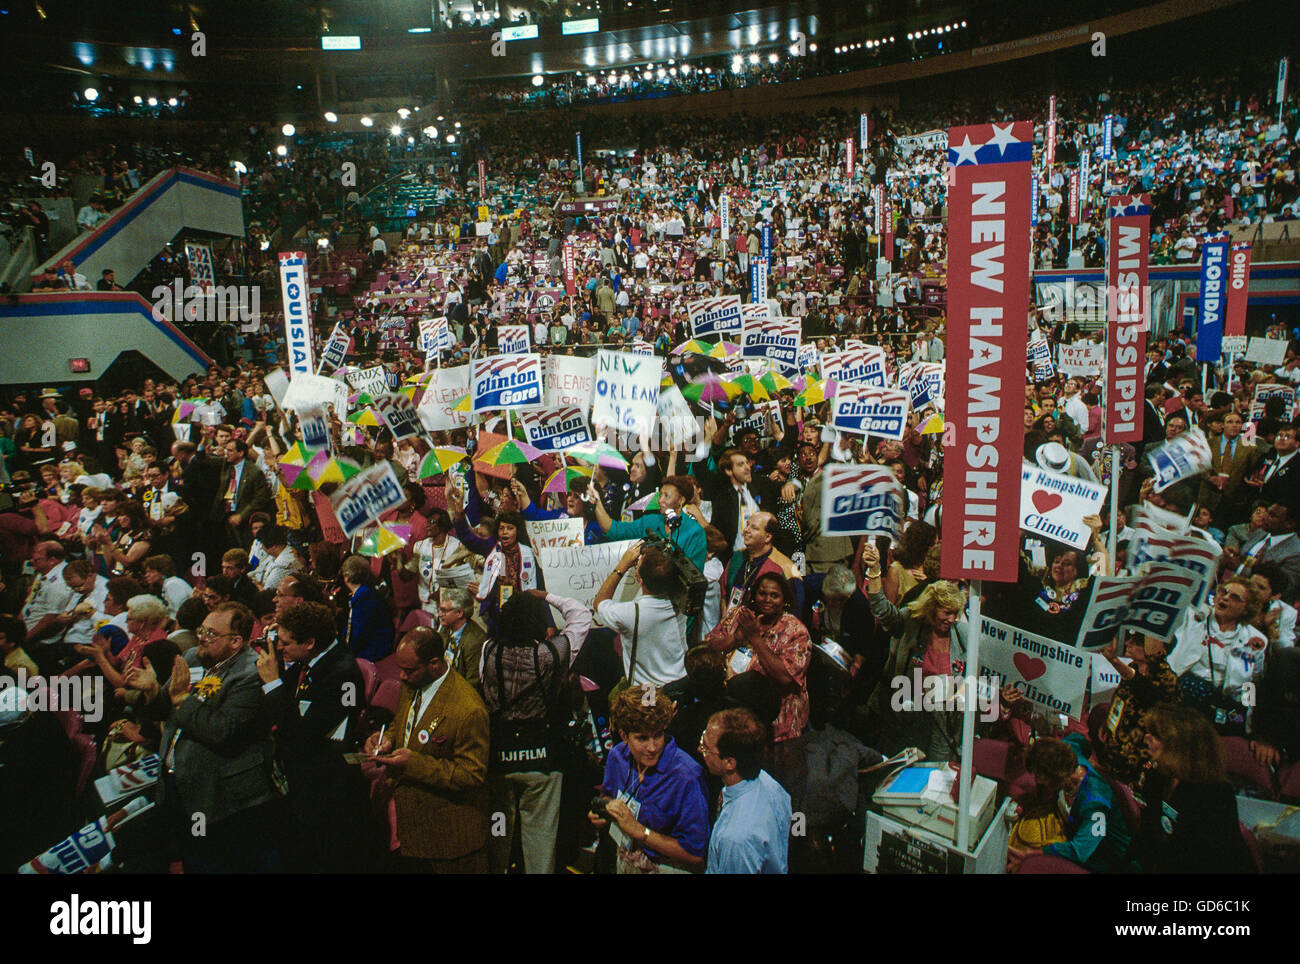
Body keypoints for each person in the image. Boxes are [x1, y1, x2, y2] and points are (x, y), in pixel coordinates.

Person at [126, 601, 280, 873]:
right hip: (177, 784)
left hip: (219, 797)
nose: (201, 638)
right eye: (201, 630)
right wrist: (152, 691)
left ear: (235, 642)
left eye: (211, 634)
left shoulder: (250, 674)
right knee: (188, 856)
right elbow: (166, 706)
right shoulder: (193, 658)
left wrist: (182, 700)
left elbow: (221, 731)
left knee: (213, 863)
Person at [255, 600, 372, 872]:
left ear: (309, 642)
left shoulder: (342, 674)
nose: (279, 647)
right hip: (304, 787)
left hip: (327, 794)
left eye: (284, 642)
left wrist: (272, 682)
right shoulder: (309, 660)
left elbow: (301, 735)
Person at [364, 627, 491, 873]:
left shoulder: (468, 709)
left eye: (408, 670)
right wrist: (387, 739)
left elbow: (472, 774)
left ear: (434, 664)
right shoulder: (413, 683)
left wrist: (413, 764)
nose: (400, 676)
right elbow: (403, 722)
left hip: (447, 842)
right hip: (410, 831)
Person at [481, 590, 590, 874]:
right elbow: (581, 616)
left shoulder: (488, 651)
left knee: (498, 831)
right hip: (543, 758)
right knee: (540, 837)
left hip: (498, 759)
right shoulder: (552, 654)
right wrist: (547, 595)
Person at [589, 684, 710, 874]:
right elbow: (608, 796)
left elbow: (694, 854)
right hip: (625, 861)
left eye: (658, 735)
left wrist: (640, 831)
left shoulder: (687, 776)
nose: (652, 747)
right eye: (642, 738)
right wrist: (602, 812)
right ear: (624, 736)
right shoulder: (616, 757)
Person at [862, 546, 967, 761]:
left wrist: (962, 693)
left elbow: (973, 675)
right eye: (947, 613)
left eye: (956, 613)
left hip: (942, 724)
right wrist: (874, 571)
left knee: (938, 775)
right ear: (930, 608)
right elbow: (883, 610)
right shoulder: (910, 621)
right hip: (904, 717)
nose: (952, 619)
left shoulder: (963, 633)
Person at [1132, 704, 1256, 873]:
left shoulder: (1216, 793)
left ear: (1178, 746)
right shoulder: (1156, 776)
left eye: (1155, 736)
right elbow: (1147, 835)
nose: (1146, 738)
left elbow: (1210, 859)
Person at [705, 570, 812, 746]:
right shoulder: (740, 615)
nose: (767, 599)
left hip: (776, 721)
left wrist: (754, 638)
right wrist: (736, 639)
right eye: (762, 593)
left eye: (774, 595)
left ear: (784, 600)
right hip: (731, 707)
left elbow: (785, 677)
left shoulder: (796, 632)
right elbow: (707, 648)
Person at [1010, 734, 1133, 873]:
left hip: (1103, 857)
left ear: (1055, 777)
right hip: (1075, 832)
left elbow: (1081, 851)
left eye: (1039, 776)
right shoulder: (1069, 750)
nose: (1037, 781)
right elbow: (1079, 739)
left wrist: (1036, 853)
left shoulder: (1095, 802)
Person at [1168, 576, 1268, 736]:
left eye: (1235, 597)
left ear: (1246, 608)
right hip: (1181, 693)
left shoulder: (1256, 640)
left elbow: (1252, 684)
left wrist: (1249, 726)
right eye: (1224, 591)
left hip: (1221, 704)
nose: (1226, 597)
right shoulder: (1194, 616)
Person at [700, 707, 791, 874]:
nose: (700, 750)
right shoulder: (770, 784)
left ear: (729, 763)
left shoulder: (735, 839)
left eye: (706, 748)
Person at [593, 541, 689, 689]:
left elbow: (599, 602)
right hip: (680, 682)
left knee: (647, 712)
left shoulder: (630, 614)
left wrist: (622, 565)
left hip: (648, 690)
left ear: (639, 579)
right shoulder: (683, 602)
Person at [1092, 633, 1179, 786]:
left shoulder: (1167, 678)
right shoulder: (1132, 666)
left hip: (1137, 758)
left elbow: (1145, 691)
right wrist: (1109, 722)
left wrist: (1114, 661)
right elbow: (1121, 698)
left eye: (1137, 642)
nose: (1128, 643)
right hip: (1116, 747)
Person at [340, 555, 395, 662]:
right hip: (370, 642)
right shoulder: (363, 592)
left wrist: (344, 651)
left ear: (346, 577)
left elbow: (359, 633)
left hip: (375, 647)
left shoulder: (364, 595)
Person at [436, 587, 487, 689]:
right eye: (440, 609)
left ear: (459, 613)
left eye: (444, 611)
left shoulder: (474, 641)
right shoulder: (445, 629)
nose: (439, 614)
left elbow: (472, 684)